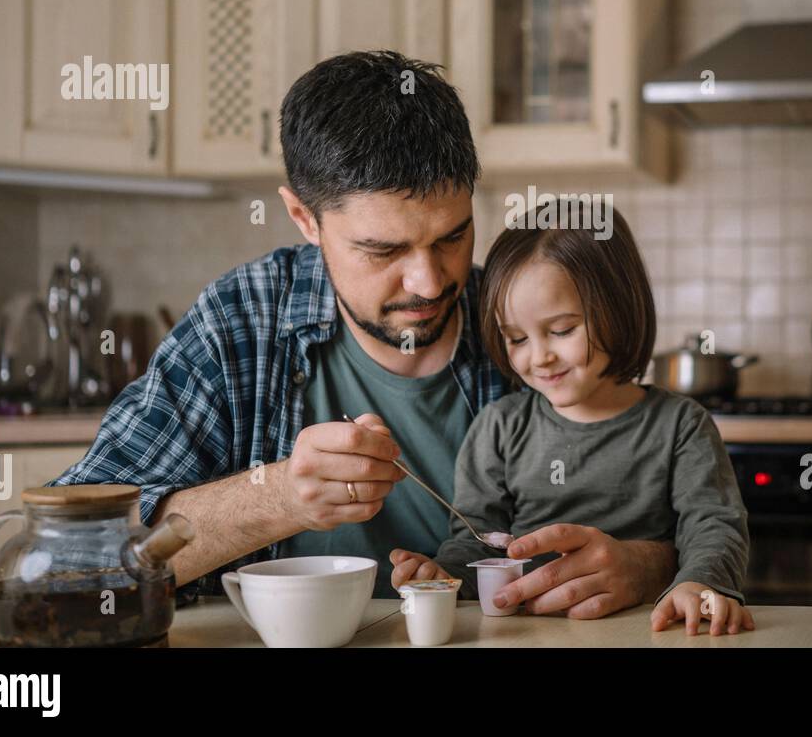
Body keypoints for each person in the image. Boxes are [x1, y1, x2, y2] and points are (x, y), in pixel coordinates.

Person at [53, 50, 678, 612]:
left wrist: (646, 565)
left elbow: (680, 519)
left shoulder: (523, 322)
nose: (430, 281)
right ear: (305, 217)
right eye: (383, 251)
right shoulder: (242, 320)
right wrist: (278, 497)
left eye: (453, 236)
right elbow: (67, 559)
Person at [389, 203, 753, 635]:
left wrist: (702, 583)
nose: (539, 357)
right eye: (517, 338)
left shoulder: (681, 425)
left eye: (562, 330)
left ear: (618, 307)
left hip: (649, 631)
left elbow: (714, 525)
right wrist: (440, 576)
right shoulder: (499, 427)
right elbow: (476, 542)